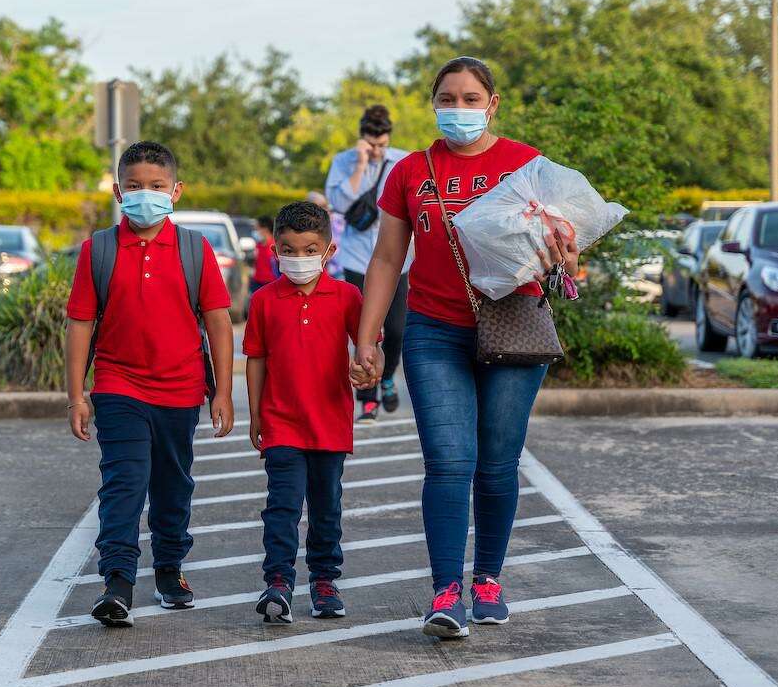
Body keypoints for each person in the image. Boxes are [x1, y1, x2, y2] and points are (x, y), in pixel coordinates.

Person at [354, 57, 580, 639]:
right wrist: (368, 337)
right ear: (432, 104)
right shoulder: (410, 171)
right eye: (448, 98)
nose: (459, 108)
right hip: (434, 332)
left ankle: (488, 580)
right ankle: (446, 591)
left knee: (498, 464)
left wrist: (567, 252)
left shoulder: (525, 164)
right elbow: (385, 260)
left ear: (492, 103)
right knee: (449, 463)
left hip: (513, 325)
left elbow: (564, 247)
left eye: (471, 98)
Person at [65, 140, 236, 627]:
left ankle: (169, 569)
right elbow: (80, 324)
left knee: (172, 484)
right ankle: (117, 581)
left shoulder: (193, 250)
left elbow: (218, 322)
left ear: (176, 191)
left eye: (156, 187)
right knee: (124, 484)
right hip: (119, 387)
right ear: (118, 192)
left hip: (181, 390)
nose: (146, 195)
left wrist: (221, 390)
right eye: (135, 187)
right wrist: (76, 395)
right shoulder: (97, 250)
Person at [243, 201, 378, 624]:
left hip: (330, 425)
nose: (297, 259)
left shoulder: (346, 297)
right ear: (274, 249)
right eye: (288, 249)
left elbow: (369, 348)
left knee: (326, 507)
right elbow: (256, 359)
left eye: (308, 250)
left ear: (328, 252)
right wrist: (255, 415)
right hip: (281, 423)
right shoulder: (263, 300)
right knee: (281, 507)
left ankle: (324, 581)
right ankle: (278, 582)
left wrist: (369, 368)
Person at [325, 105, 410, 422]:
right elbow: (339, 203)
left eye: (382, 145)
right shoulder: (344, 162)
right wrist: (360, 165)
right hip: (358, 258)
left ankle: (387, 377)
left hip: (398, 257)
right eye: (371, 144)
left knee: (397, 329)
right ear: (361, 139)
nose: (377, 150)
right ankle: (368, 397)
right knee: (364, 331)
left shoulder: (402, 160)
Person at [249, 214, 278, 294]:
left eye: (257, 228)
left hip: (270, 284)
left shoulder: (274, 246)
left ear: (265, 229)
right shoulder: (258, 245)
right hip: (256, 283)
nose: (255, 231)